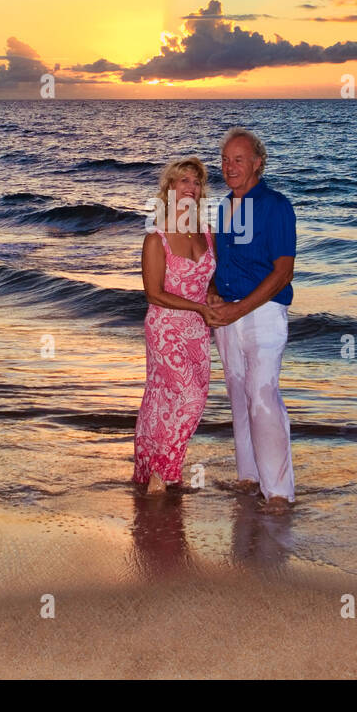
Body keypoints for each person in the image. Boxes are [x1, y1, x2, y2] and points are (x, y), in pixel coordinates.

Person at [207, 127, 297, 513]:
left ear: (258, 163)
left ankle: (278, 493)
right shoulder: (225, 207)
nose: (229, 167)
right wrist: (212, 290)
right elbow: (221, 263)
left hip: (263, 314)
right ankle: (249, 478)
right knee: (239, 397)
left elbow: (283, 273)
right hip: (228, 315)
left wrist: (238, 309)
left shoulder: (277, 206)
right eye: (225, 160)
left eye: (238, 159)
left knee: (263, 397)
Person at [132, 157, 221, 494]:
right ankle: (160, 475)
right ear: (169, 188)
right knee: (188, 397)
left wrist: (211, 297)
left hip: (198, 332)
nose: (190, 188)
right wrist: (198, 306)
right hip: (165, 328)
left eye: (196, 183)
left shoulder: (207, 234)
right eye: (183, 181)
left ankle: (157, 473)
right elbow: (154, 294)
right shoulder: (157, 239)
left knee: (166, 402)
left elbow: (209, 281)